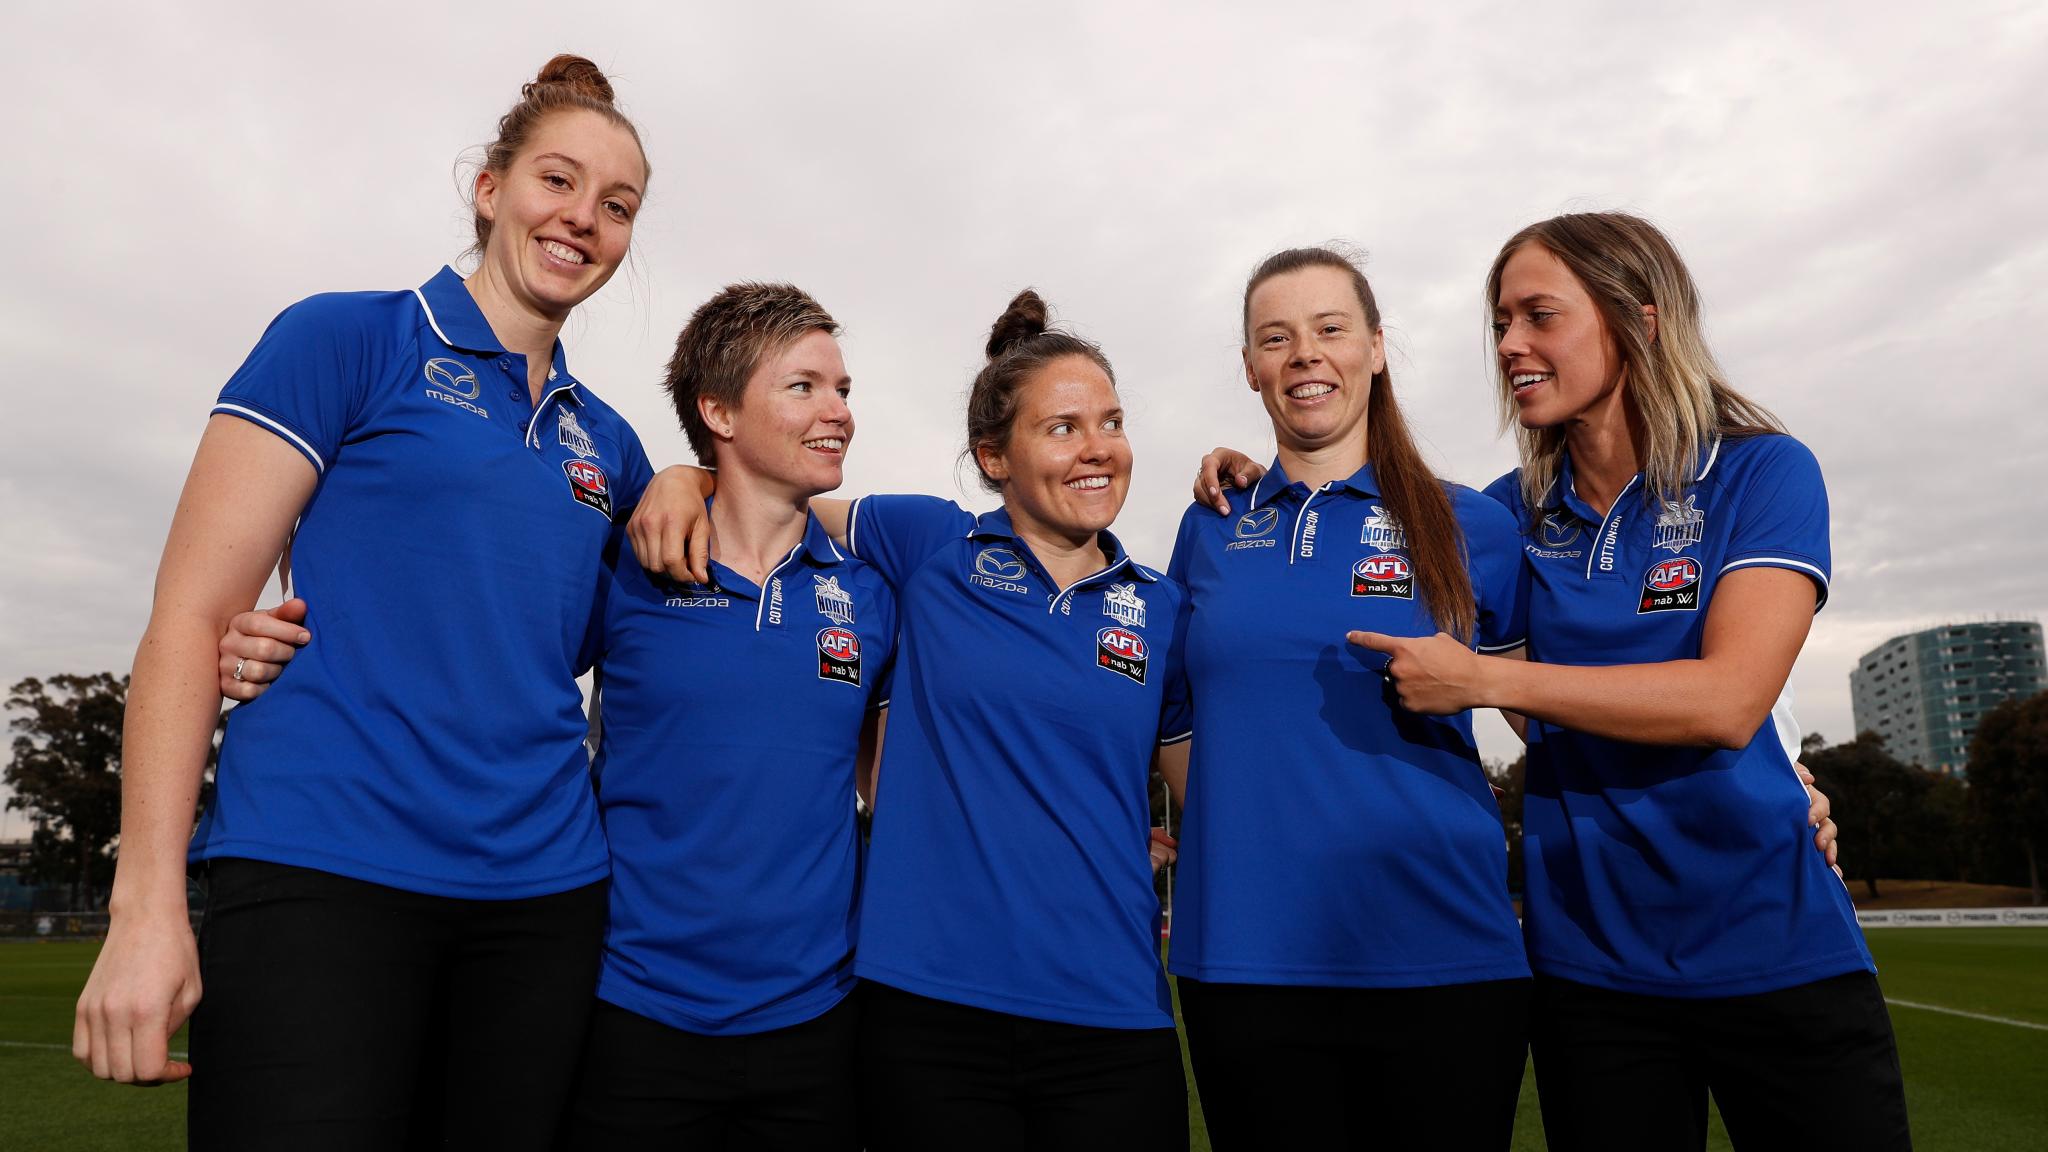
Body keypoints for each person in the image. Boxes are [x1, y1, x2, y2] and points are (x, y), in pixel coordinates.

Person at [76, 54, 655, 1150]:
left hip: (544, 898)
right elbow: (192, 619)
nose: (583, 219)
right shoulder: (347, 337)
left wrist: (678, 480)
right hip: (322, 869)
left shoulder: (611, 446)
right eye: (557, 181)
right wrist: (146, 901)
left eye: (616, 206)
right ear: (490, 188)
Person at [1346, 212, 1909, 1150]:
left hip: (1776, 945)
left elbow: (1729, 701)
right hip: (1591, 975)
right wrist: (1254, 476)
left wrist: (1492, 680)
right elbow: (1349, 569)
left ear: (1640, 321)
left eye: (1538, 316)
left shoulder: (1761, 471)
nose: (1510, 345)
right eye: (1499, 324)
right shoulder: (1504, 515)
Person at [629, 290, 1192, 1151]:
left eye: (1110, 422)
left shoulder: (1162, 609)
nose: (1097, 449)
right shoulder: (928, 545)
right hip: (928, 1013)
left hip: (1111, 1012)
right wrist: (681, 476)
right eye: (1063, 427)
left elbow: (1212, 804)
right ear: (992, 458)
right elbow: (768, 493)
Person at [1167, 247, 1534, 1150]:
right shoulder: (1212, 525)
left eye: (1331, 329)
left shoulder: (1473, 524)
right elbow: (1176, 724)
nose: (1305, 355)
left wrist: (1783, 771)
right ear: (1251, 368)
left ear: (1377, 346)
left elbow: (1551, 712)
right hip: (1245, 963)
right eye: (1276, 338)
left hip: (1441, 955)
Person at [558, 283, 893, 1149]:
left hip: (818, 1026)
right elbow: (486, 672)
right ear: (719, 411)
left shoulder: (870, 593)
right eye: (804, 386)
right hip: (632, 1015)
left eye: (843, 390)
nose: (838, 412)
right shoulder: (628, 562)